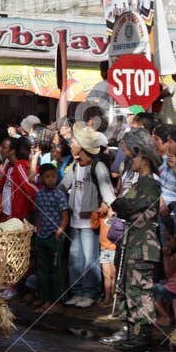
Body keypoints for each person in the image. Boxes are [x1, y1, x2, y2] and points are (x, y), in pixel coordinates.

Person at [106, 133, 164, 351]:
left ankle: (142, 334)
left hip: (143, 245)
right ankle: (133, 332)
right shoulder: (141, 183)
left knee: (140, 291)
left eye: (135, 158)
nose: (132, 161)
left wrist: (122, 203)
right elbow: (122, 204)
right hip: (134, 243)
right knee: (130, 290)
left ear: (145, 159)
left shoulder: (149, 184)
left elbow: (125, 205)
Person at [62, 124, 114, 309]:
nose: (71, 144)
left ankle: (90, 293)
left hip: (89, 223)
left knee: (89, 259)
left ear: (82, 147)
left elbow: (108, 195)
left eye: (74, 142)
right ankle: (77, 292)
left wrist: (108, 209)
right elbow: (63, 186)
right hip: (75, 221)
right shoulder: (75, 166)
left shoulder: (98, 167)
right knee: (75, 259)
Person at [29, 162, 69, 304]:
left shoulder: (60, 195)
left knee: (55, 270)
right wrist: (37, 229)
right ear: (41, 178)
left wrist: (59, 231)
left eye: (54, 176)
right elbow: (38, 215)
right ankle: (45, 299)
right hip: (41, 235)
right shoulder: (39, 195)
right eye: (47, 177)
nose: (51, 179)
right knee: (42, 269)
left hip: (54, 236)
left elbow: (65, 215)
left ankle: (57, 301)